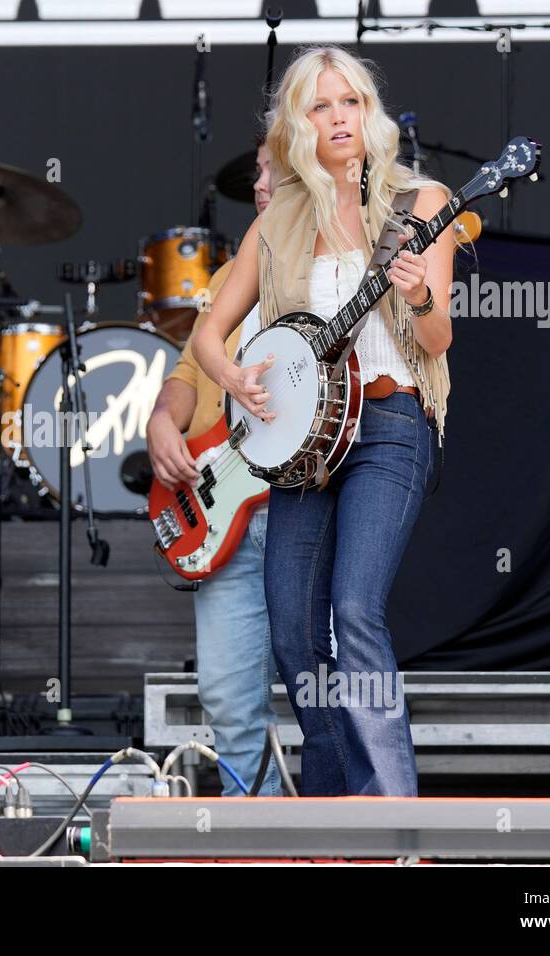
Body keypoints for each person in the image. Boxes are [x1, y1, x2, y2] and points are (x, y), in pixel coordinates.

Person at [190, 46, 454, 796]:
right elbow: (210, 331)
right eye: (321, 106)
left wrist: (418, 297)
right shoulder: (280, 218)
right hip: (307, 447)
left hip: (391, 424)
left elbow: (437, 342)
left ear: (370, 115)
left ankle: (393, 813)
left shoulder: (419, 203)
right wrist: (233, 377)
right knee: (291, 635)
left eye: (351, 103)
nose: (339, 118)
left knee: (354, 610)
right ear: (298, 125)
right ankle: (336, 806)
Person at [147, 136, 283, 797]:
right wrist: (160, 421)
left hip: (294, 507)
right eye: (255, 172)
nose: (256, 184)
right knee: (227, 696)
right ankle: (255, 846)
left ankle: (340, 842)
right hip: (217, 510)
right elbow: (187, 370)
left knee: (330, 698)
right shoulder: (230, 274)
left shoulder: (334, 270)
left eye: (271, 172)